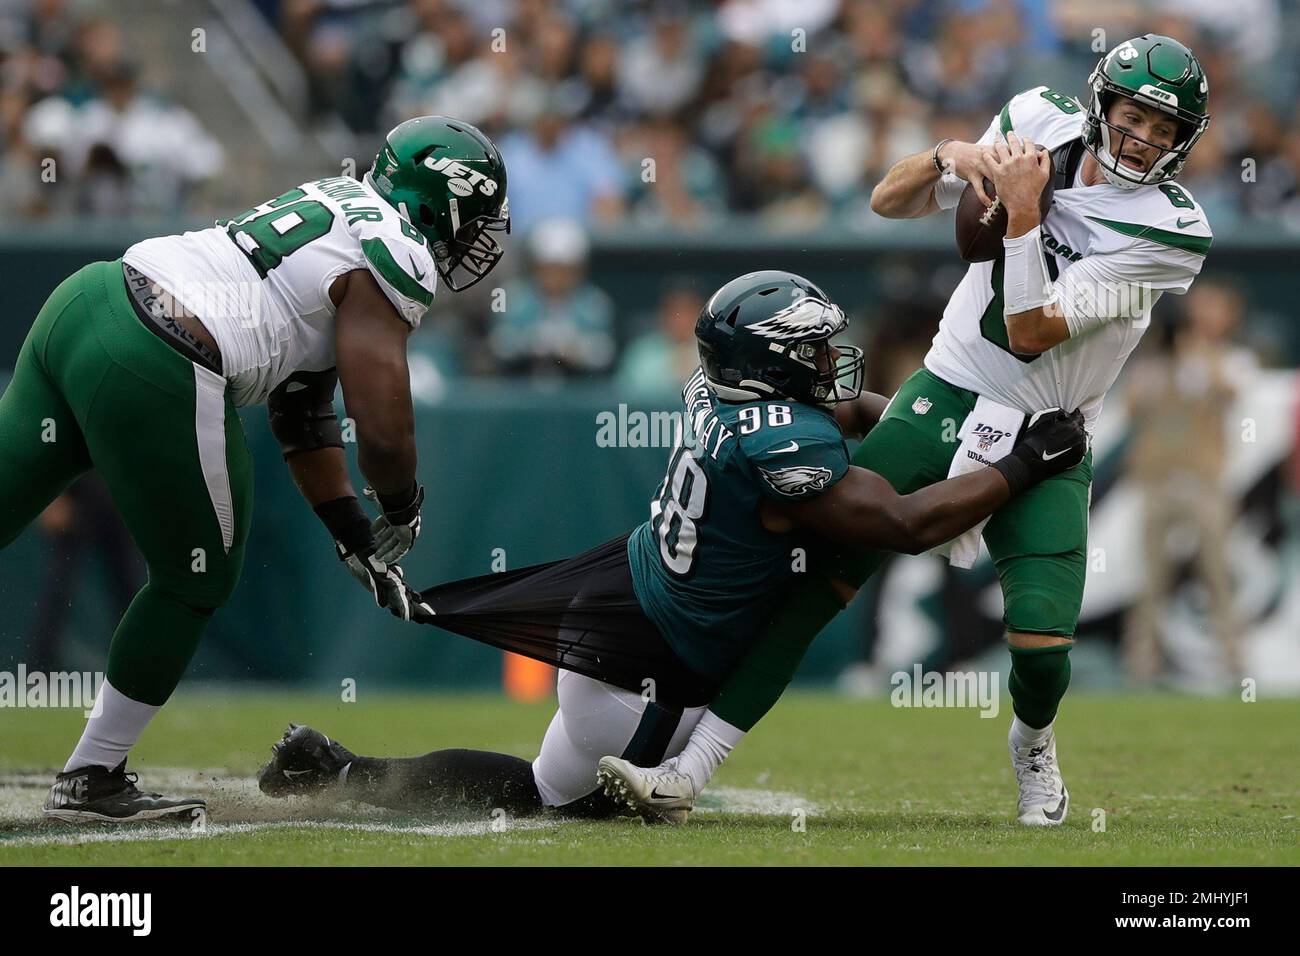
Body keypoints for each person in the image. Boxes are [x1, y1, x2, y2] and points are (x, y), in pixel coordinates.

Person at [602, 34, 1215, 828]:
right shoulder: (1037, 119)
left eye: (1166, 131)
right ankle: (687, 770)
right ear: (1103, 106)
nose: (1144, 141)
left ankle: (1033, 747)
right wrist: (948, 155)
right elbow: (886, 202)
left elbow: (1031, 329)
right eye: (1135, 116)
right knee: (817, 585)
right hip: (948, 386)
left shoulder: (1170, 228)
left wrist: (1024, 213)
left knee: (1042, 652)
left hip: (1049, 429)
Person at [257, 270, 1086, 820]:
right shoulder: (783, 446)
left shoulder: (719, 389)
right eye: (811, 350)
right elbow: (909, 525)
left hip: (619, 615)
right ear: (772, 364)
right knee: (583, 819)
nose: (829, 360)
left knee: (540, 786)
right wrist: (1023, 460)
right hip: (653, 672)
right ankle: (347, 775)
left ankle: (340, 770)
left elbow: (843, 413)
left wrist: (906, 419)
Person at [0, 115, 510, 823]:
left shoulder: (337, 202)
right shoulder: (398, 251)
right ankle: (93, 777)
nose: (476, 238)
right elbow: (383, 424)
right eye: (475, 218)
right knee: (197, 575)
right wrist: (401, 508)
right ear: (440, 200)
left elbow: (302, 414)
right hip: (161, 351)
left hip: (88, 300)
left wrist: (352, 532)